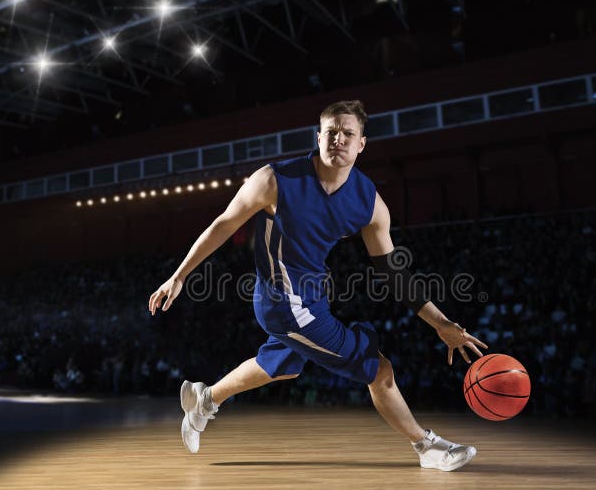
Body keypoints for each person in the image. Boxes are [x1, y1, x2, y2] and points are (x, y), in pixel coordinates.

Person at [148, 100, 488, 471]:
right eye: (332, 132)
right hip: (282, 301)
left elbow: (394, 274)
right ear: (319, 137)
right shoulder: (275, 180)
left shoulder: (369, 203)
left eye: (348, 134)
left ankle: (206, 399)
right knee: (380, 370)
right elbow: (223, 225)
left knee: (284, 363)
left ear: (361, 144)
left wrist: (441, 323)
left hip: (312, 298)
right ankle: (427, 447)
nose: (339, 139)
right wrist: (179, 275)